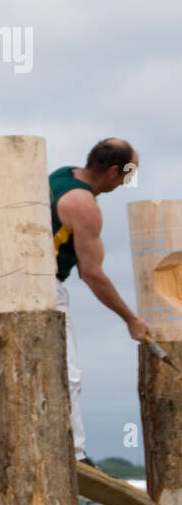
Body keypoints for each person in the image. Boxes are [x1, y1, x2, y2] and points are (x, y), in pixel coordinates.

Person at [50, 139, 148, 468]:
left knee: (57, 370)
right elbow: (92, 274)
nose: (125, 184)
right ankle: (75, 454)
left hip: (14, 282)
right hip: (44, 286)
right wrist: (131, 319)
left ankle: (64, 444)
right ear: (111, 171)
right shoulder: (84, 205)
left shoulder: (60, 176)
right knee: (68, 372)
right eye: (126, 176)